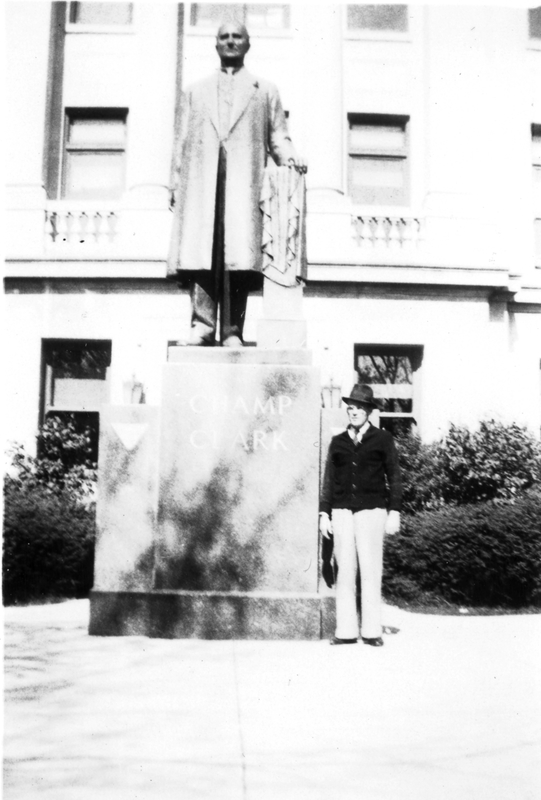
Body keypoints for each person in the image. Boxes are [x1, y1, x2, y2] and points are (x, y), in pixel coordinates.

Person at [168, 22, 307, 347]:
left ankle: (232, 331)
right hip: (203, 185)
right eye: (224, 37)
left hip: (243, 187)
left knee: (238, 259)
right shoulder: (195, 90)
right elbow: (181, 142)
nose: (230, 42)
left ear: (247, 44)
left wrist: (291, 156)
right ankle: (202, 325)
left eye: (237, 37)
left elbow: (279, 137)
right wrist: (175, 184)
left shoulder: (266, 90)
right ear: (216, 44)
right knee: (202, 256)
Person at [319, 384, 402, 646]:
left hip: (372, 512)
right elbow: (329, 481)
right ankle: (345, 632)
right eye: (350, 407)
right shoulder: (338, 442)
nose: (353, 411)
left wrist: (394, 511)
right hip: (342, 512)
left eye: (359, 407)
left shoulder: (383, 439)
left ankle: (371, 631)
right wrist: (324, 513)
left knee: (370, 570)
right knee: (344, 571)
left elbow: (395, 477)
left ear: (369, 411)